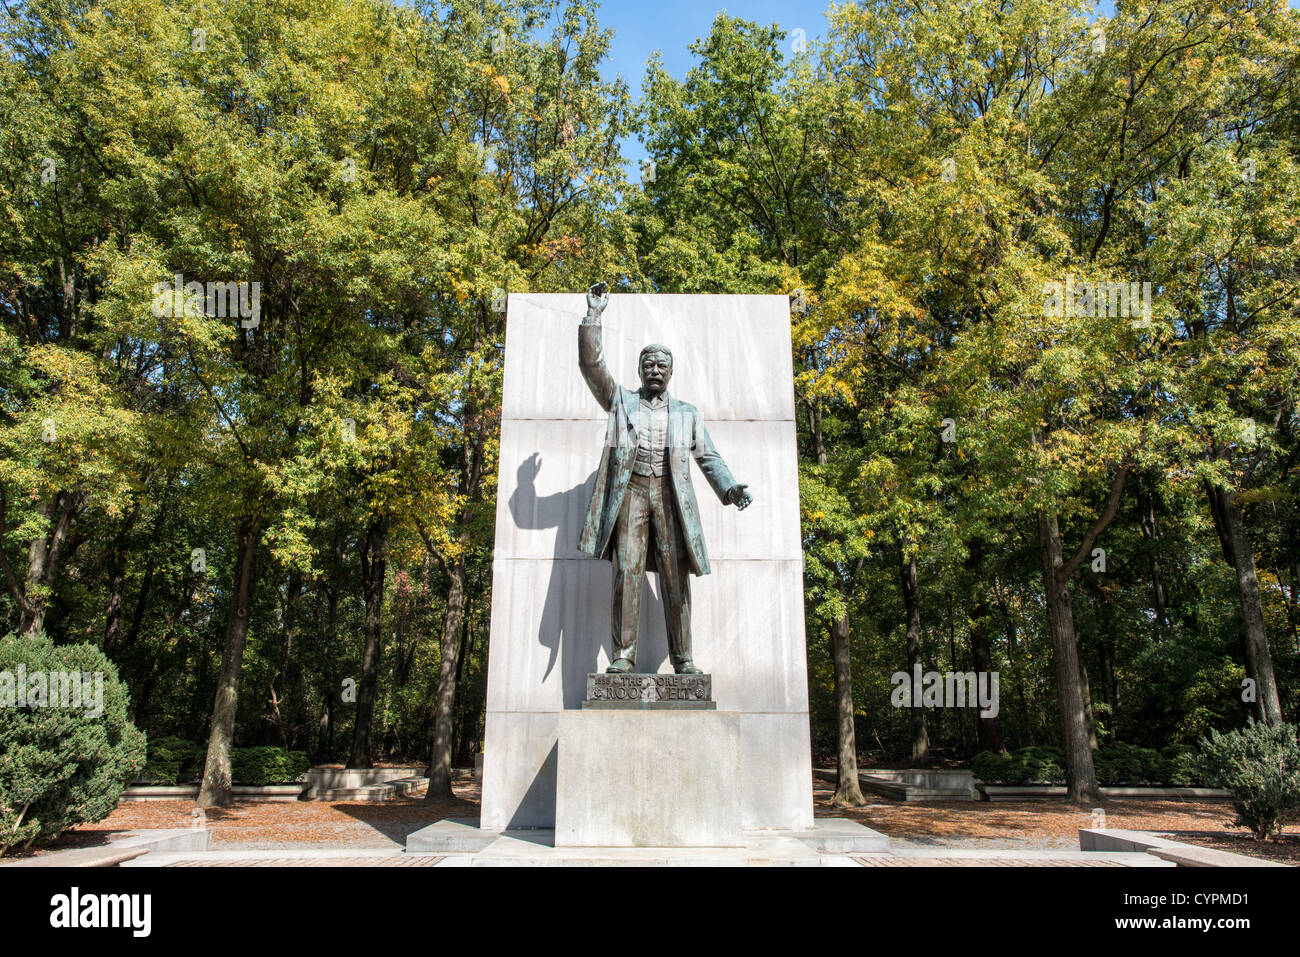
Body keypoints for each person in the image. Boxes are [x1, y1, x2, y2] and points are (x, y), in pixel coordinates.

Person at [576, 281, 753, 675]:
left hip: (671, 499)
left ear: (671, 373)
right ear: (639, 370)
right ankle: (624, 655)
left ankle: (684, 659)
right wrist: (593, 315)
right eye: (649, 365)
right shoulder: (620, 400)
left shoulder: (687, 413)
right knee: (627, 573)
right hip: (631, 494)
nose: (655, 370)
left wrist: (729, 487)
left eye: (662, 366)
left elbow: (708, 455)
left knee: (677, 578)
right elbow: (592, 366)